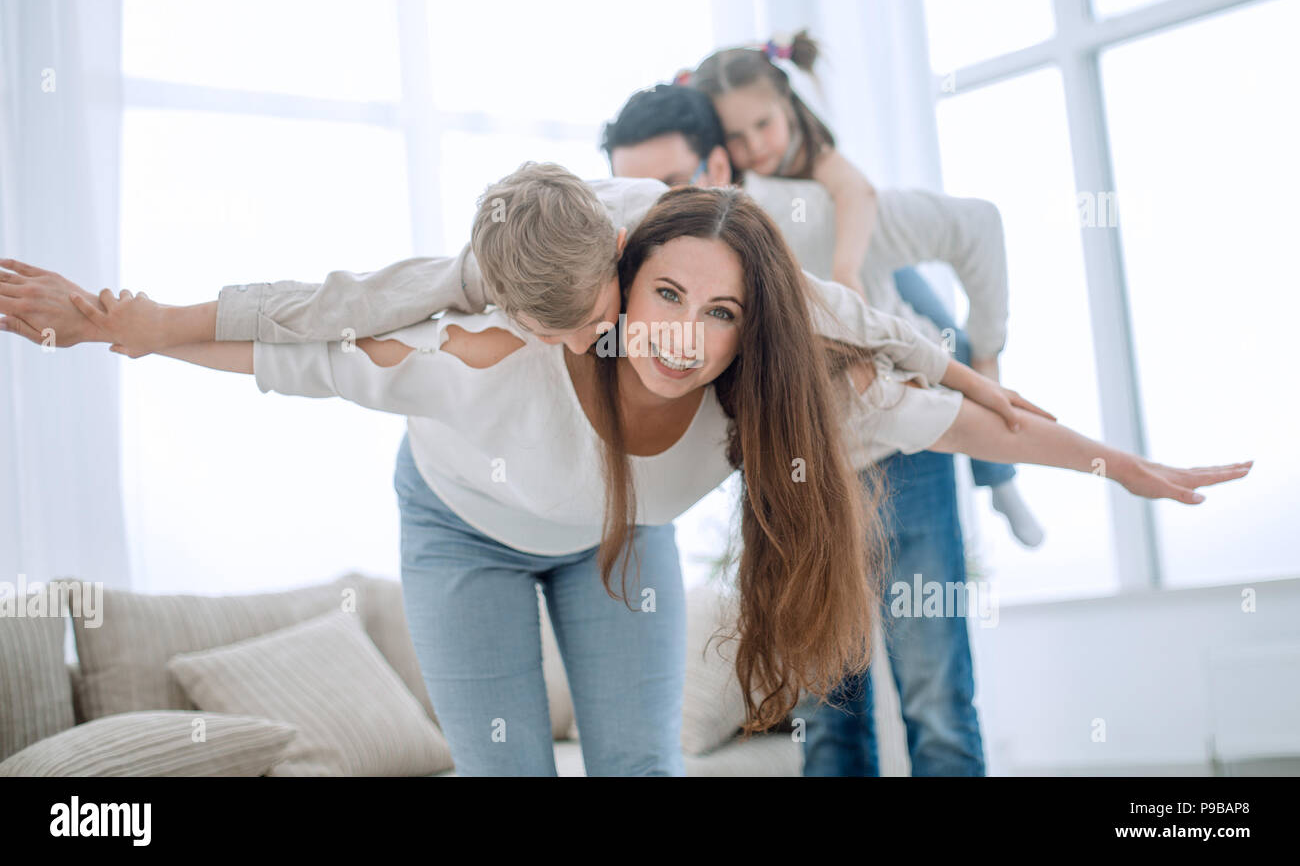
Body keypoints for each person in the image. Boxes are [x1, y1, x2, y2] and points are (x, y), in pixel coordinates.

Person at [5, 186, 1250, 780]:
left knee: (640, 770)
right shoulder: (485, 352)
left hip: (614, 546)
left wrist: (1113, 460)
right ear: (621, 281)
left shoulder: (758, 391)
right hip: (462, 535)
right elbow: (303, 343)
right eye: (666, 295)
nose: (682, 333)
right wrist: (126, 324)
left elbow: (955, 425)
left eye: (719, 313)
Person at [601, 79, 1011, 774]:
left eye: (668, 184)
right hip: (791, 480)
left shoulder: (821, 206)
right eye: (630, 192)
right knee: (825, 711)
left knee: (935, 698)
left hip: (902, 455)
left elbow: (974, 224)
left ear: (720, 168)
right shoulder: (642, 261)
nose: (652, 211)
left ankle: (1004, 481)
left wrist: (989, 354)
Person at [688, 31, 1043, 548]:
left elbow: (860, 191)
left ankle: (1001, 478)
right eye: (736, 137)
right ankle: (1000, 474)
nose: (755, 146)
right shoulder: (741, 188)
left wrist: (847, 269)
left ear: (787, 105)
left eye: (763, 125)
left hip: (862, 263)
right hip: (848, 300)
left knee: (952, 348)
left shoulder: (815, 153)